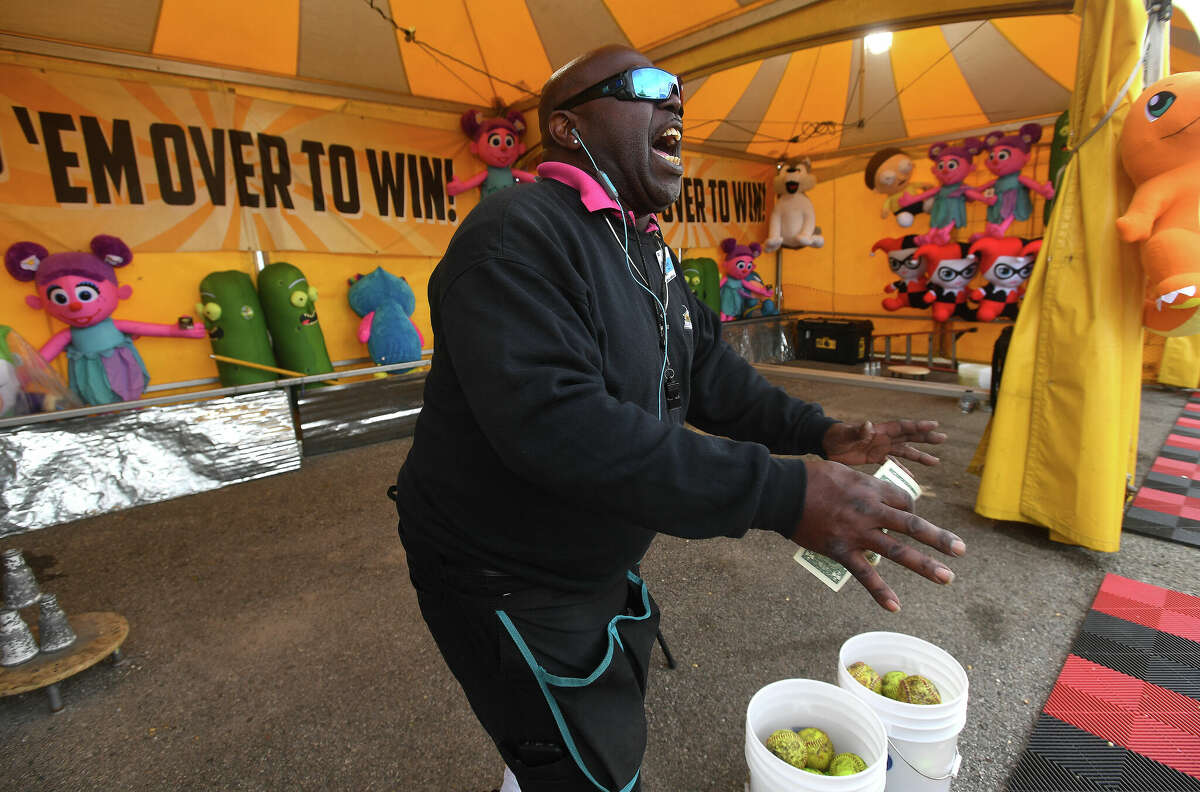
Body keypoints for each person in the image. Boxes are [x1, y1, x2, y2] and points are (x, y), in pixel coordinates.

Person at [392, 45, 966, 792]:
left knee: (563, 733)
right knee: (586, 763)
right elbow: (558, 426)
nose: (676, 104)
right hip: (504, 572)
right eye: (649, 89)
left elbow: (703, 367)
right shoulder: (514, 235)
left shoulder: (640, 241)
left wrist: (818, 433)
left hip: (588, 552)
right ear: (568, 127)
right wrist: (787, 492)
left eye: (679, 92)